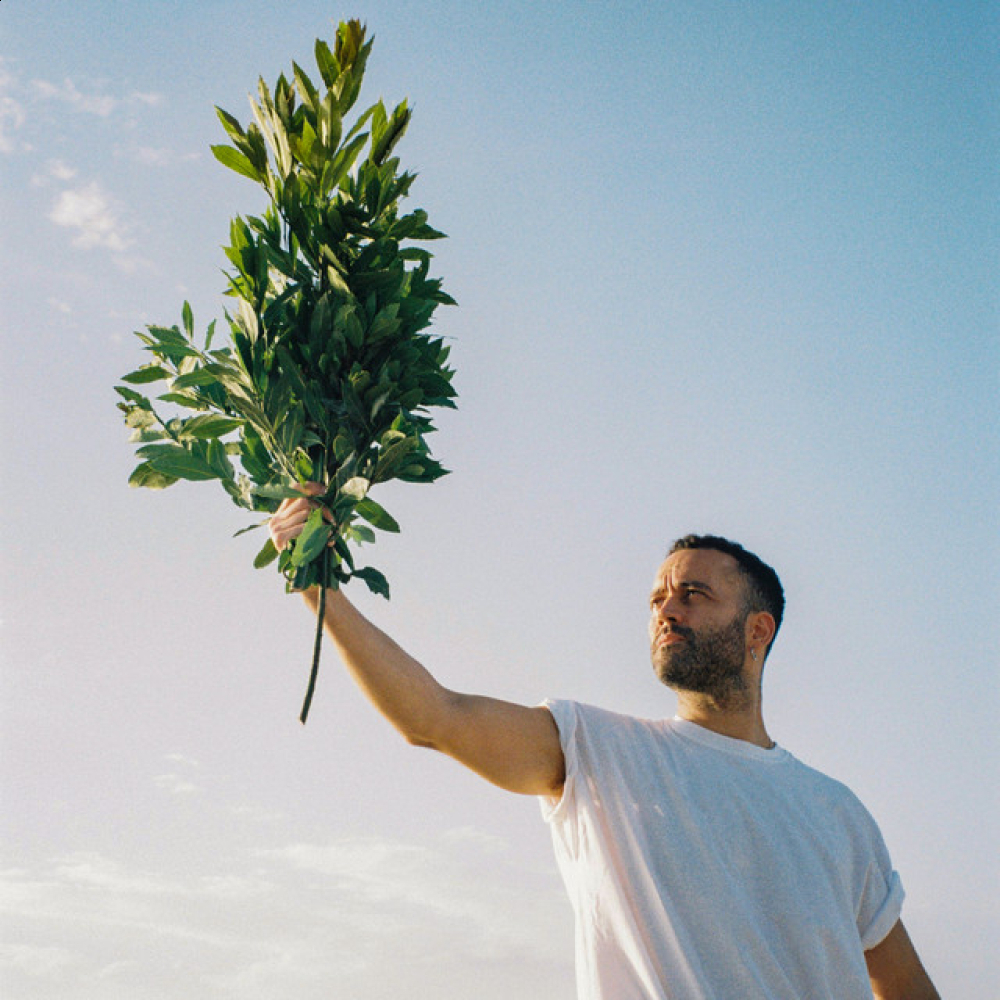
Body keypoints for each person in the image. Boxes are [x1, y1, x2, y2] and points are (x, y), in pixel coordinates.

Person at [268, 492, 940, 1000]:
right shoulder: (598, 752)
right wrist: (318, 588)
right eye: (657, 599)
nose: (666, 611)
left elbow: (909, 990)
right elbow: (434, 716)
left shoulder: (835, 811)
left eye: (694, 594)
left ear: (757, 629)